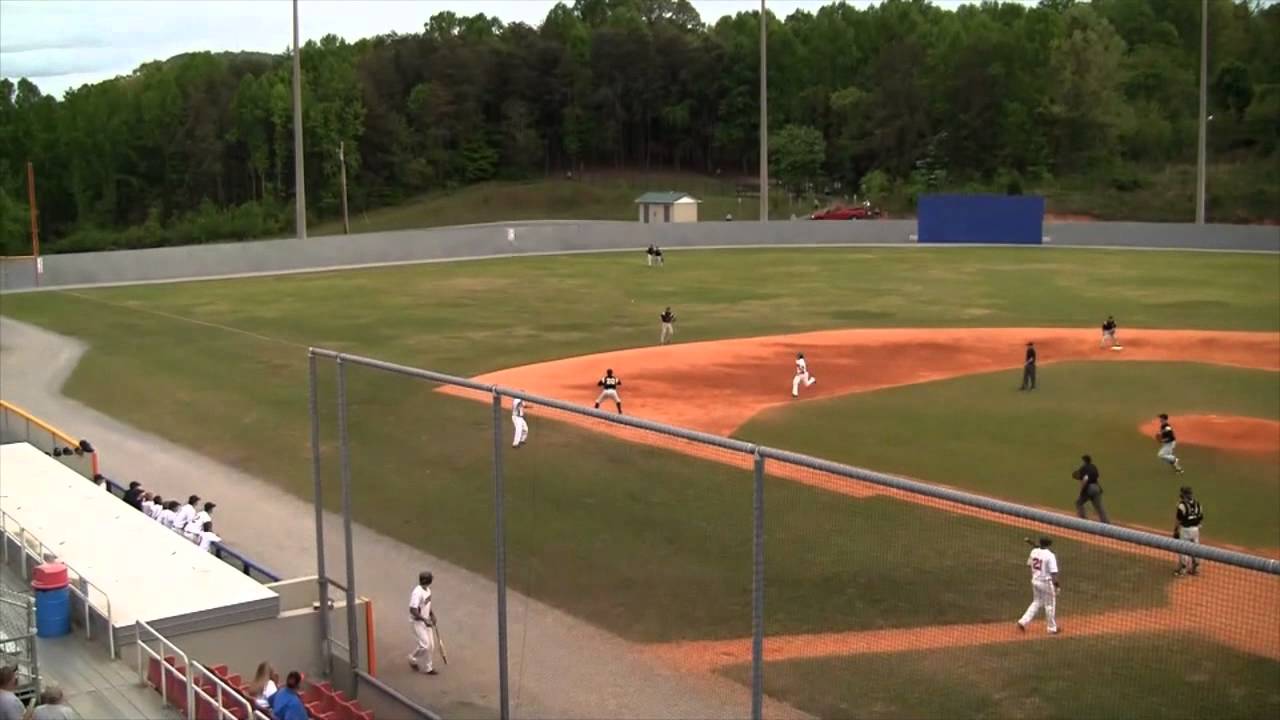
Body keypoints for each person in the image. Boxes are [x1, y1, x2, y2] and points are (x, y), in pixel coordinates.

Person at [1016, 537, 1060, 635]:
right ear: (1049, 544)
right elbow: (1053, 573)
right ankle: (1052, 628)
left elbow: (1029, 564)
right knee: (1050, 605)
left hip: (1035, 581)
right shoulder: (1050, 555)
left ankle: (1022, 621)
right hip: (1046, 582)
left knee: (1036, 602)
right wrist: (1056, 585)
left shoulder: (1033, 551)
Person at [408, 571, 438, 675]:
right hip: (417, 622)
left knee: (431, 646)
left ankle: (429, 668)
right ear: (427, 580)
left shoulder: (428, 590)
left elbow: (427, 605)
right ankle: (412, 658)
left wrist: (432, 615)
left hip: (426, 621)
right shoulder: (417, 592)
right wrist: (424, 620)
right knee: (425, 645)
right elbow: (412, 609)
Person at [1173, 486, 1204, 577]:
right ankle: (1196, 568)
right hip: (1196, 529)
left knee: (1183, 548)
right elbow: (1201, 517)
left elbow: (1178, 520)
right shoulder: (1198, 504)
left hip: (1185, 530)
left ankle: (1183, 569)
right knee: (1195, 548)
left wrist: (1175, 530)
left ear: (1184, 495)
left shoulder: (1182, 505)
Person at [1073, 454, 1109, 524]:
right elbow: (1097, 477)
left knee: (1078, 503)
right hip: (1097, 487)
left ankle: (1083, 521)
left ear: (1084, 461)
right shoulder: (1094, 467)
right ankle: (1107, 524)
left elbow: (1085, 479)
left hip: (1089, 488)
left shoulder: (1084, 468)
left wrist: (1081, 490)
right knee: (1099, 507)